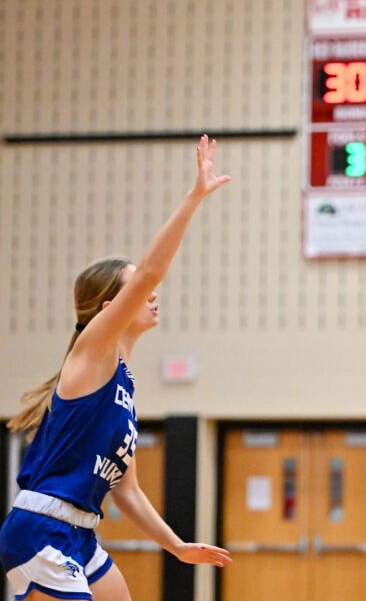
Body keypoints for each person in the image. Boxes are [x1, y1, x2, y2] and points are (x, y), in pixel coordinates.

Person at [0, 136, 233, 601]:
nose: (151, 295)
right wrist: (193, 198)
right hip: (41, 528)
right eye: (135, 291)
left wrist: (177, 546)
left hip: (82, 531)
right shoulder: (91, 352)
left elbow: (126, 491)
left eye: (145, 290)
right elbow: (150, 270)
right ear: (110, 308)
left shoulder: (121, 380)